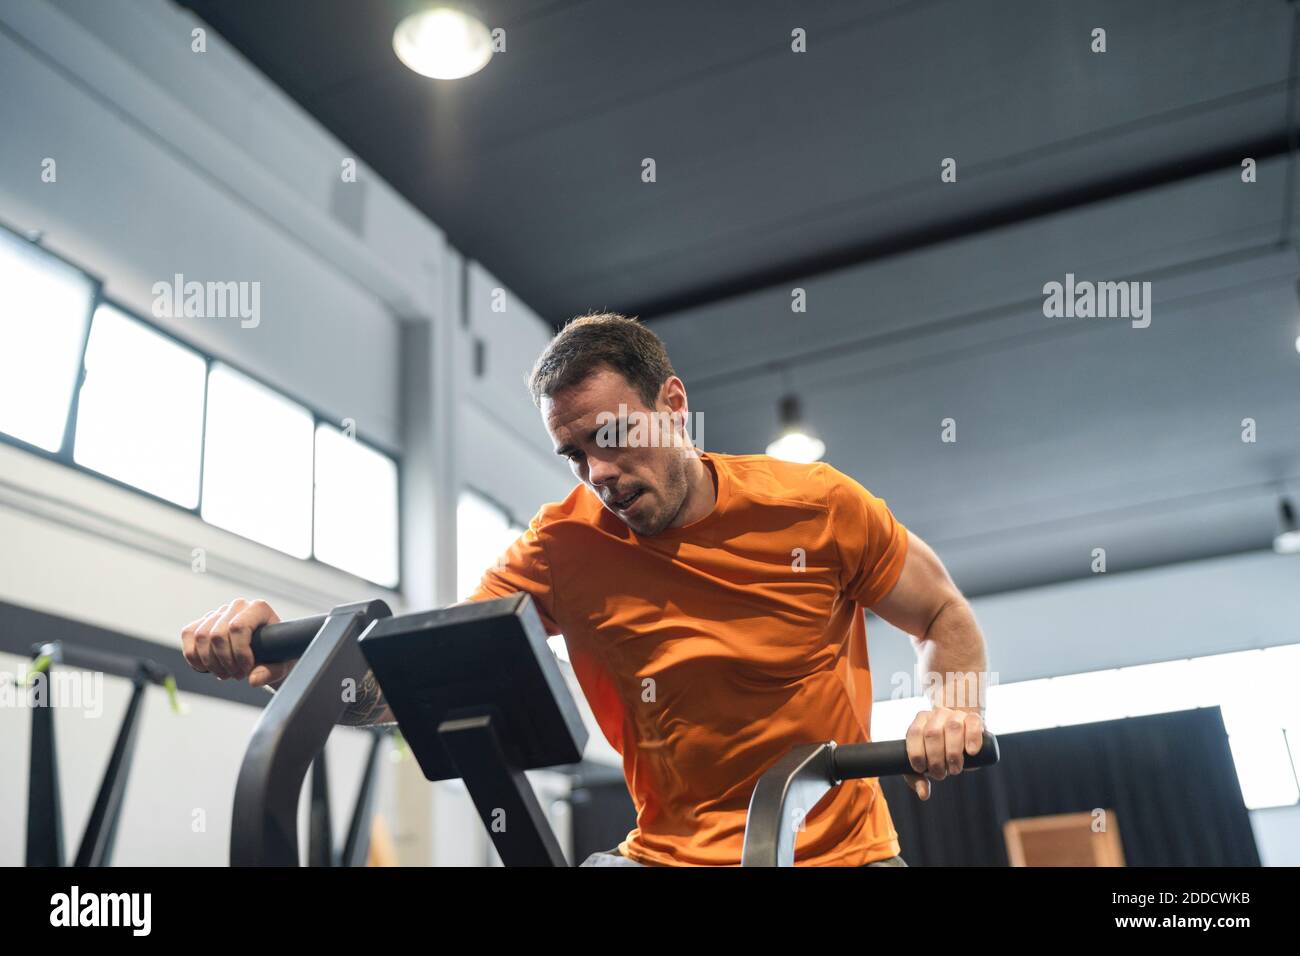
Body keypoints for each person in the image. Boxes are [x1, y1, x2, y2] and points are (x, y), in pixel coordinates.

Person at [181, 312, 990, 867]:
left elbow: (943, 613)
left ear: (673, 405)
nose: (599, 472)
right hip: (663, 856)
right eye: (575, 455)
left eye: (611, 435)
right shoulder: (563, 545)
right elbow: (430, 679)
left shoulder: (817, 506)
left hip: (837, 852)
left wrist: (954, 705)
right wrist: (307, 670)